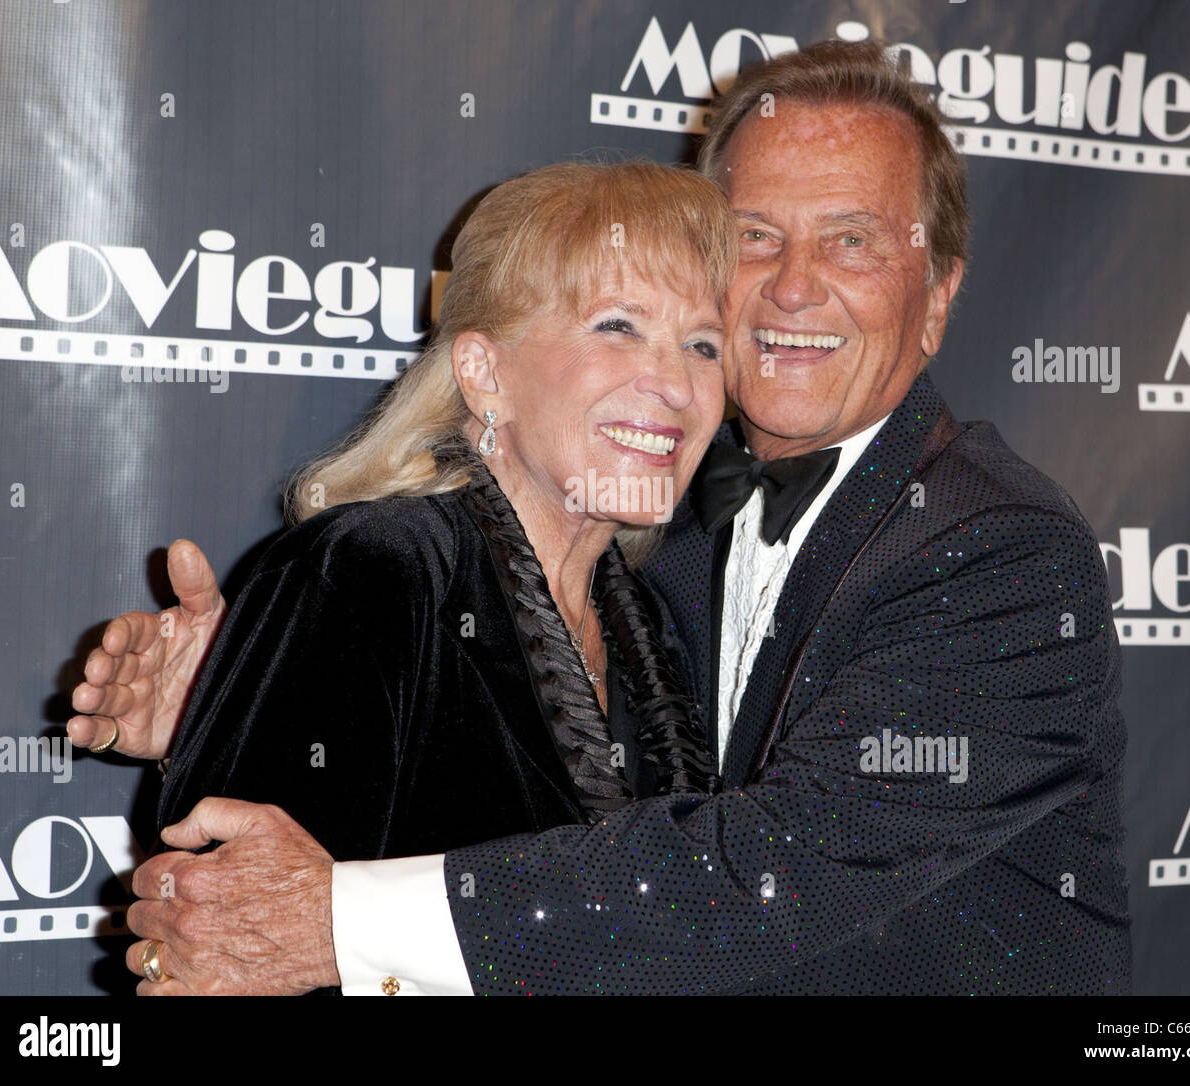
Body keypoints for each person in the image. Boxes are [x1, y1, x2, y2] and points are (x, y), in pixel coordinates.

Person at [70, 39, 1130, 995]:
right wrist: (250, 676)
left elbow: (781, 863)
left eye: (852, 241)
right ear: (482, 369)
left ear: (937, 296)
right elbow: (224, 894)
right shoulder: (641, 554)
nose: (794, 288)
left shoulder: (996, 555)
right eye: (755, 238)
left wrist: (337, 921)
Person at [68, 159, 738, 992]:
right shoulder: (378, 571)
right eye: (618, 327)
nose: (674, 384)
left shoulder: (652, 624)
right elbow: (222, 937)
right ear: (485, 373)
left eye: (702, 344)